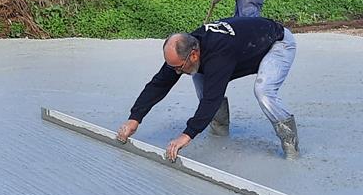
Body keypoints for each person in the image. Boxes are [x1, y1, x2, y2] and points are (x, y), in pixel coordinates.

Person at [117, 16, 299, 160]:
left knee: (263, 91)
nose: (176, 72)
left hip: (278, 44)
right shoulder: (187, 47)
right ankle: (220, 135)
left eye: (178, 68)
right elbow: (160, 83)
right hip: (244, 49)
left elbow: (212, 99)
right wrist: (135, 118)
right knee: (200, 81)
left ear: (194, 55)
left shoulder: (219, 55)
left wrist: (187, 135)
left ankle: (290, 143)